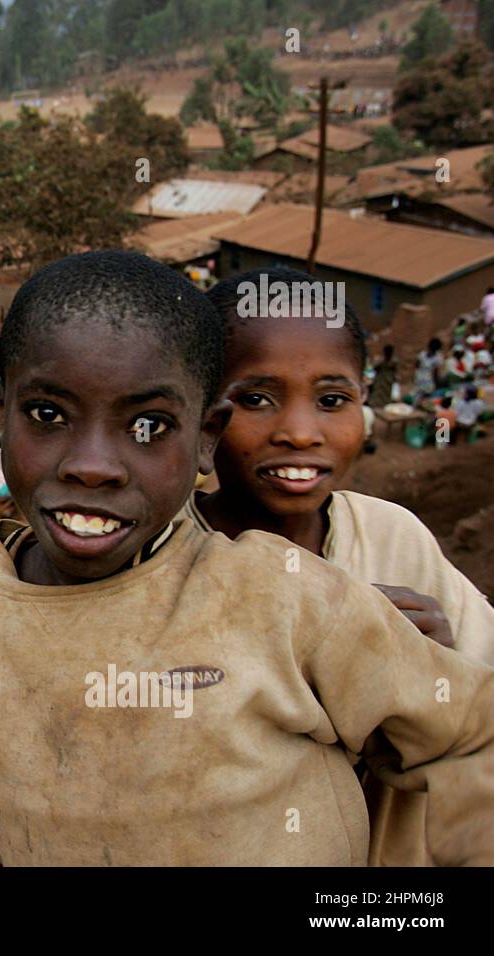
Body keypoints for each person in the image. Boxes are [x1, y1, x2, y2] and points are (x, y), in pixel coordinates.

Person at [0, 250, 494, 866]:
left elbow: (468, 732)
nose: (92, 465)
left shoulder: (287, 595)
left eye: (149, 426)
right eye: (49, 414)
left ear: (205, 436)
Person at [195, 267, 494, 865]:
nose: (301, 432)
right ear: (202, 413)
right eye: (256, 398)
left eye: (333, 400)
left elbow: (479, 714)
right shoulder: (160, 549)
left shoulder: (393, 536)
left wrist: (436, 664)